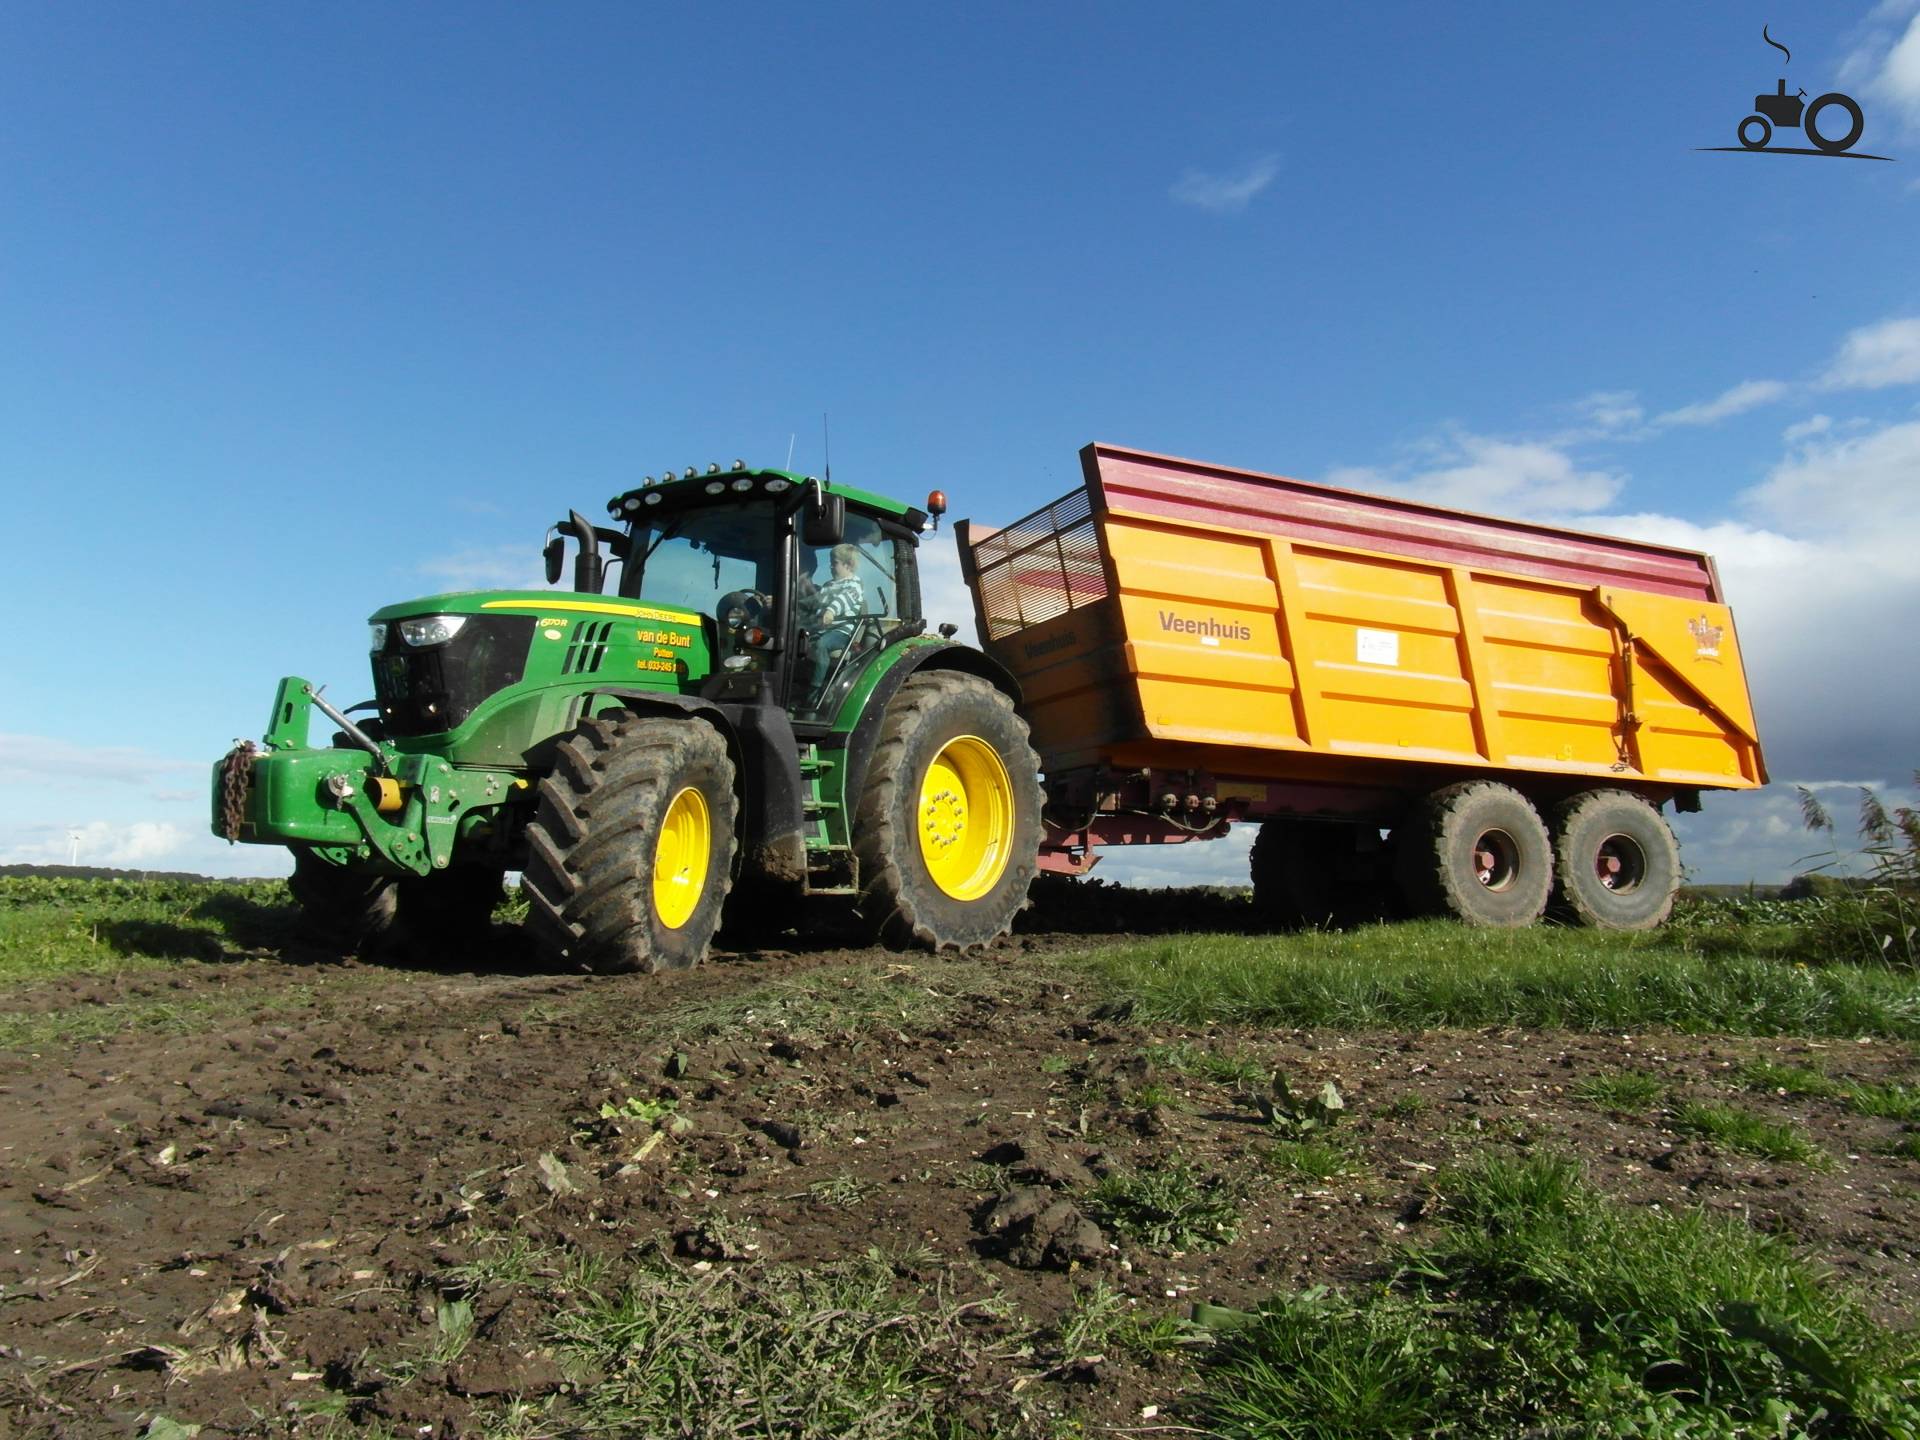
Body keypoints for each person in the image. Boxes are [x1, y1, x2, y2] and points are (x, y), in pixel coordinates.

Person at [805, 544, 865, 689]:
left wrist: (831, 611)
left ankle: (816, 688)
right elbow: (814, 601)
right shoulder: (828, 585)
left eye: (835, 563)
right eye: (831, 563)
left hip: (841, 633)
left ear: (848, 565)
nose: (831, 567)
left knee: (821, 645)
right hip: (821, 630)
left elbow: (843, 600)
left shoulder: (855, 585)